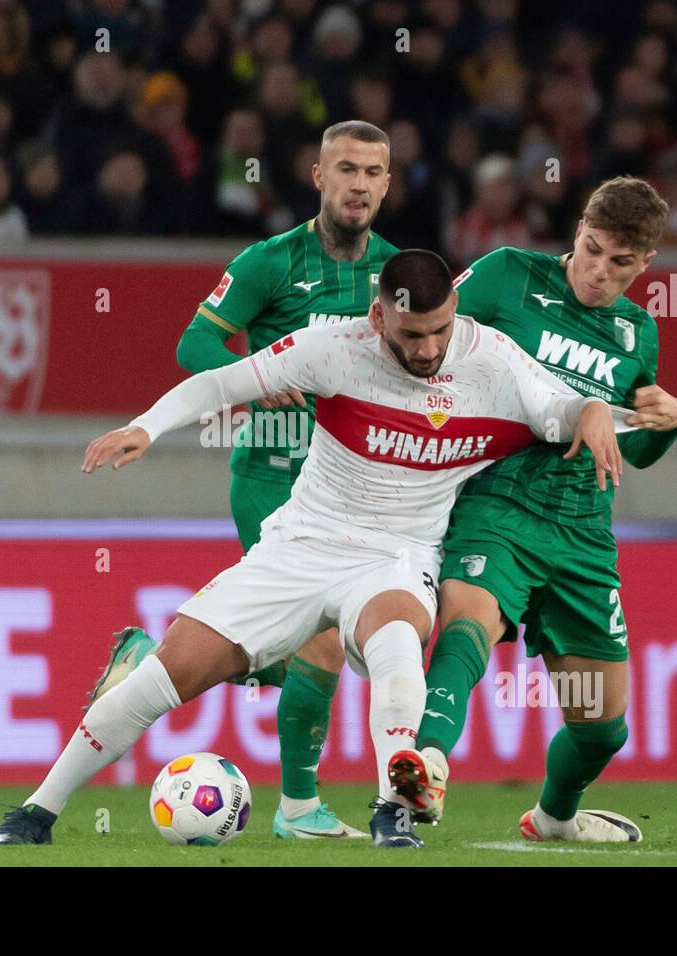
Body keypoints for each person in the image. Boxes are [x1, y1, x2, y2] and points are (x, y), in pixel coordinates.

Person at [0, 249, 627, 849]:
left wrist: (592, 410)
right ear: (379, 316)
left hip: (397, 555)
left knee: (399, 636)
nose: (430, 349)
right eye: (411, 336)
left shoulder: (493, 360)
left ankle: (391, 811)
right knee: (161, 680)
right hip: (301, 544)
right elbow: (221, 384)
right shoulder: (335, 348)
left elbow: (560, 407)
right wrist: (146, 426)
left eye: (440, 331)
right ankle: (35, 813)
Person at [86, 120, 402, 840]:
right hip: (273, 474)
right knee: (322, 641)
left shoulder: (399, 274)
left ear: (387, 184)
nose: (358, 183)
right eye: (345, 168)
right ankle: (298, 811)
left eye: (372, 172)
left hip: (358, 488)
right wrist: (251, 386)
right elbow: (194, 339)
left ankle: (150, 664)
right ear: (319, 176)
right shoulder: (271, 261)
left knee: (319, 651)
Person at [389, 176, 677, 844]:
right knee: (468, 614)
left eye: (620, 263)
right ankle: (426, 763)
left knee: (601, 725)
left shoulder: (637, 332)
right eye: (591, 249)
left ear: (646, 266)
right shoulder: (506, 276)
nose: (598, 272)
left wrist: (669, 422)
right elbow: (426, 337)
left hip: (583, 529)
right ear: (578, 228)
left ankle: (554, 819)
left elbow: (634, 452)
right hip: (498, 499)